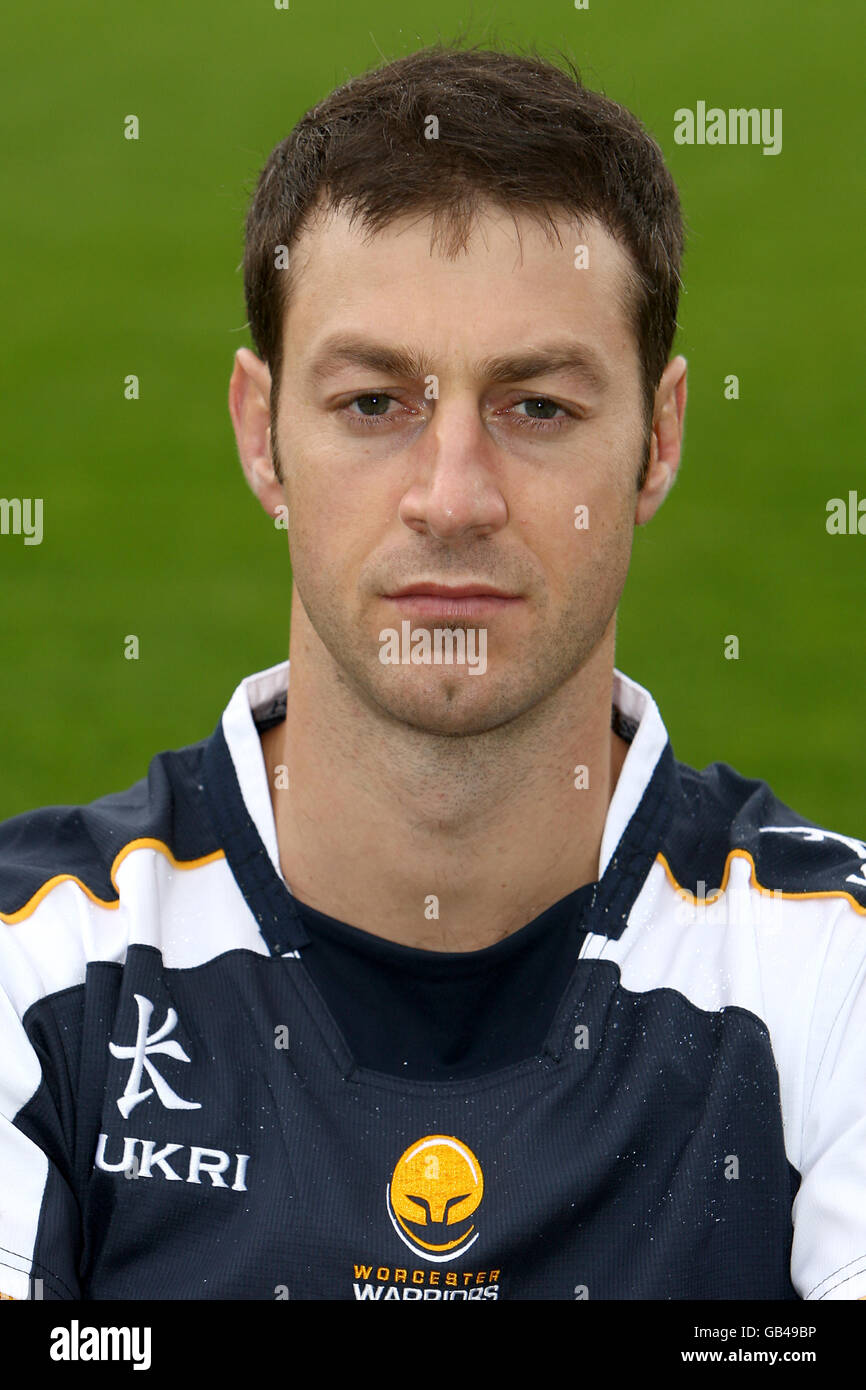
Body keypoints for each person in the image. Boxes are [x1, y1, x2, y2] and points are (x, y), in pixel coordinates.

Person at [1, 42, 864, 1303]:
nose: (450, 497)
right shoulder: (37, 967)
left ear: (658, 438)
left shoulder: (827, 974)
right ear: (261, 433)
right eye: (371, 403)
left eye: (537, 408)